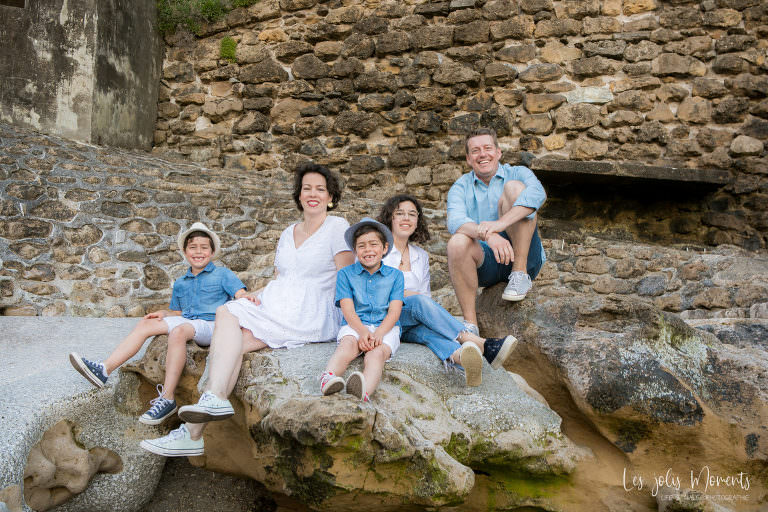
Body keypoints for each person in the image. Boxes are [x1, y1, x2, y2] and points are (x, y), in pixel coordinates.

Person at [140, 162, 354, 457]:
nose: (313, 194)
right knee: (232, 344)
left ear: (331, 196)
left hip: (311, 308)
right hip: (281, 301)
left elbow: (347, 277)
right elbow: (281, 279)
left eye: (320, 189)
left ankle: (208, 406)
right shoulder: (288, 232)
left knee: (226, 312)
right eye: (307, 189)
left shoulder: (337, 226)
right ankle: (194, 431)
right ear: (299, 195)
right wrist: (255, 295)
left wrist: (353, 322)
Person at [69, 223, 250, 425]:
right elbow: (179, 312)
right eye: (193, 247)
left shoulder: (223, 274)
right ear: (184, 251)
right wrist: (163, 313)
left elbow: (240, 294)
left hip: (212, 325)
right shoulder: (182, 282)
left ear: (212, 252)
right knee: (147, 324)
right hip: (189, 319)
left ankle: (167, 398)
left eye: (204, 247)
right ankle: (104, 369)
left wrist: (248, 299)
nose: (198, 252)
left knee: (179, 332)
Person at [378, 194, 517, 387]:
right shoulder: (379, 251)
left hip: (408, 325)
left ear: (418, 221)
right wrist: (412, 296)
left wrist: (416, 300)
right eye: (399, 213)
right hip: (384, 319)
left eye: (412, 214)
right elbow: (381, 292)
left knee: (427, 332)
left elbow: (425, 298)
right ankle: (482, 344)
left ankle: (463, 360)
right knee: (419, 302)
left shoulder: (421, 255)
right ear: (389, 218)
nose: (406, 218)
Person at [446, 127, 547, 335]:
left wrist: (499, 225)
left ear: (498, 152)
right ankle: (471, 325)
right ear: (468, 158)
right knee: (456, 242)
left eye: (487, 148)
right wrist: (489, 235)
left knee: (515, 189)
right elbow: (455, 221)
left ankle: (519, 275)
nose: (482, 154)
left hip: (526, 256)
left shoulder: (518, 172)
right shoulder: (460, 186)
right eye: (475, 151)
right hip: (488, 261)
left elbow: (538, 195)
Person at [320, 218, 403, 402]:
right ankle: (328, 377)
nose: (368, 250)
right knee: (348, 345)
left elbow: (394, 311)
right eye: (362, 246)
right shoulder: (345, 274)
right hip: (355, 324)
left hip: (386, 327)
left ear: (384, 248)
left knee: (376, 354)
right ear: (355, 251)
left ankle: (362, 389)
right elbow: (348, 310)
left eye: (374, 244)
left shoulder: (396, 276)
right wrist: (363, 332)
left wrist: (379, 334)